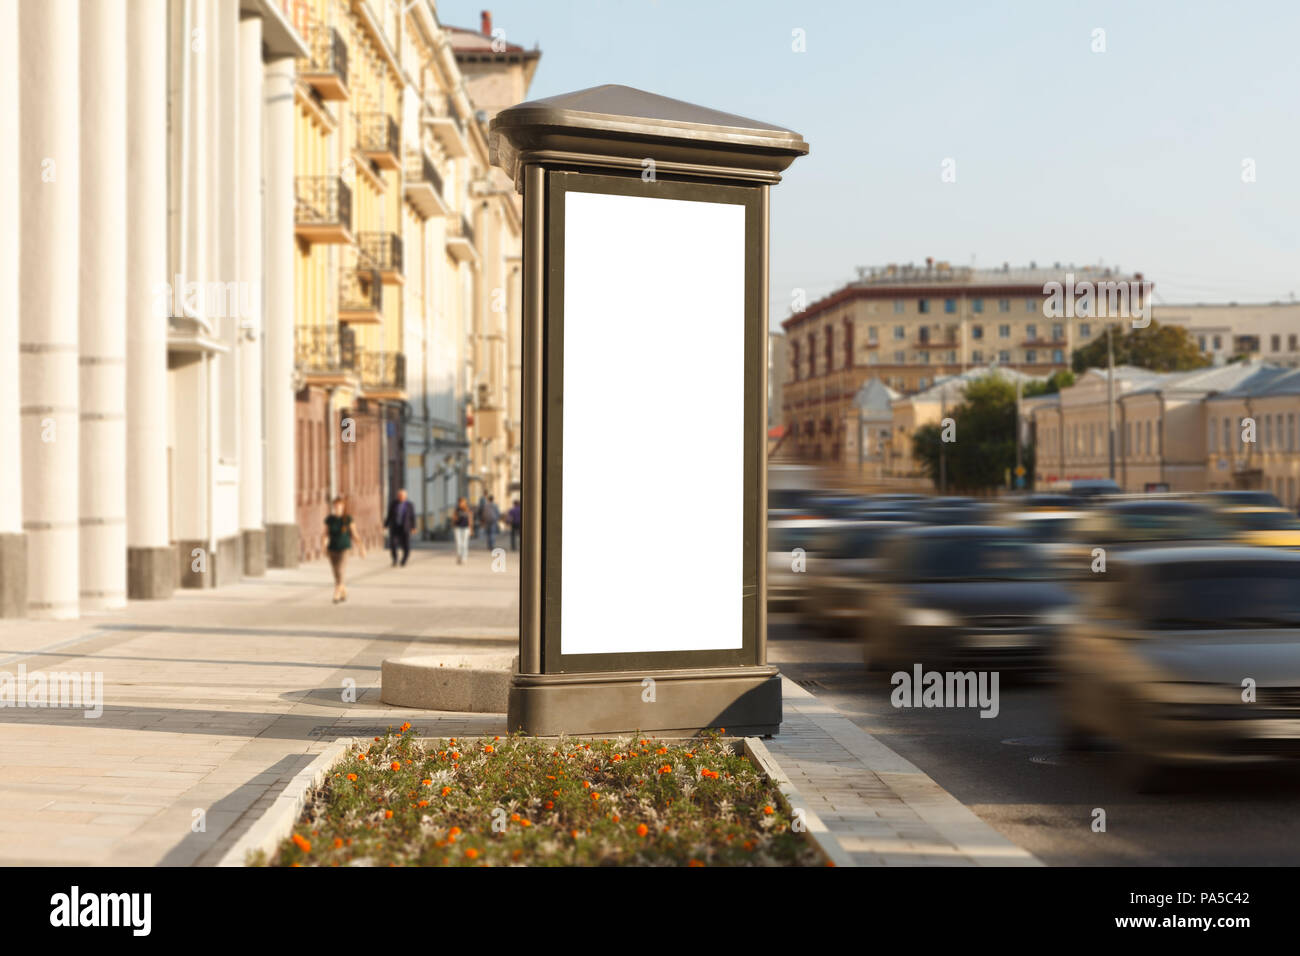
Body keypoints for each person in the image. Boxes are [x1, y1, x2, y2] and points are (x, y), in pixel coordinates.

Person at [322, 496, 365, 603]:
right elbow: (325, 534)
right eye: (336, 506)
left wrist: (361, 547)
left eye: (340, 506)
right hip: (332, 549)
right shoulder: (330, 519)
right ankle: (343, 591)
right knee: (336, 573)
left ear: (343, 506)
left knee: (341, 571)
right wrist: (324, 546)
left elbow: (355, 534)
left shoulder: (347, 519)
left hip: (344, 548)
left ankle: (336, 593)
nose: (338, 508)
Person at [386, 488, 416, 566]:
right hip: (395, 527)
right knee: (393, 544)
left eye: (402, 495)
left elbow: (412, 517)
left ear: (405, 496)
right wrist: (385, 525)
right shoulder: (393, 504)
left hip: (405, 528)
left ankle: (404, 560)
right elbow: (389, 515)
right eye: (399, 495)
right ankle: (395, 559)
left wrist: (413, 527)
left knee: (406, 545)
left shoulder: (409, 505)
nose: (400, 497)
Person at [453, 496, 472, 564]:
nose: (462, 503)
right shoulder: (457, 510)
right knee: (459, 543)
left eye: (463, 502)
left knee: (465, 544)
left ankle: (464, 558)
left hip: (466, 528)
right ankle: (459, 556)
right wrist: (456, 519)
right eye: (460, 502)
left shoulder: (468, 509)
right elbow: (454, 518)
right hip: (458, 528)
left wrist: (471, 529)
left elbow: (470, 519)